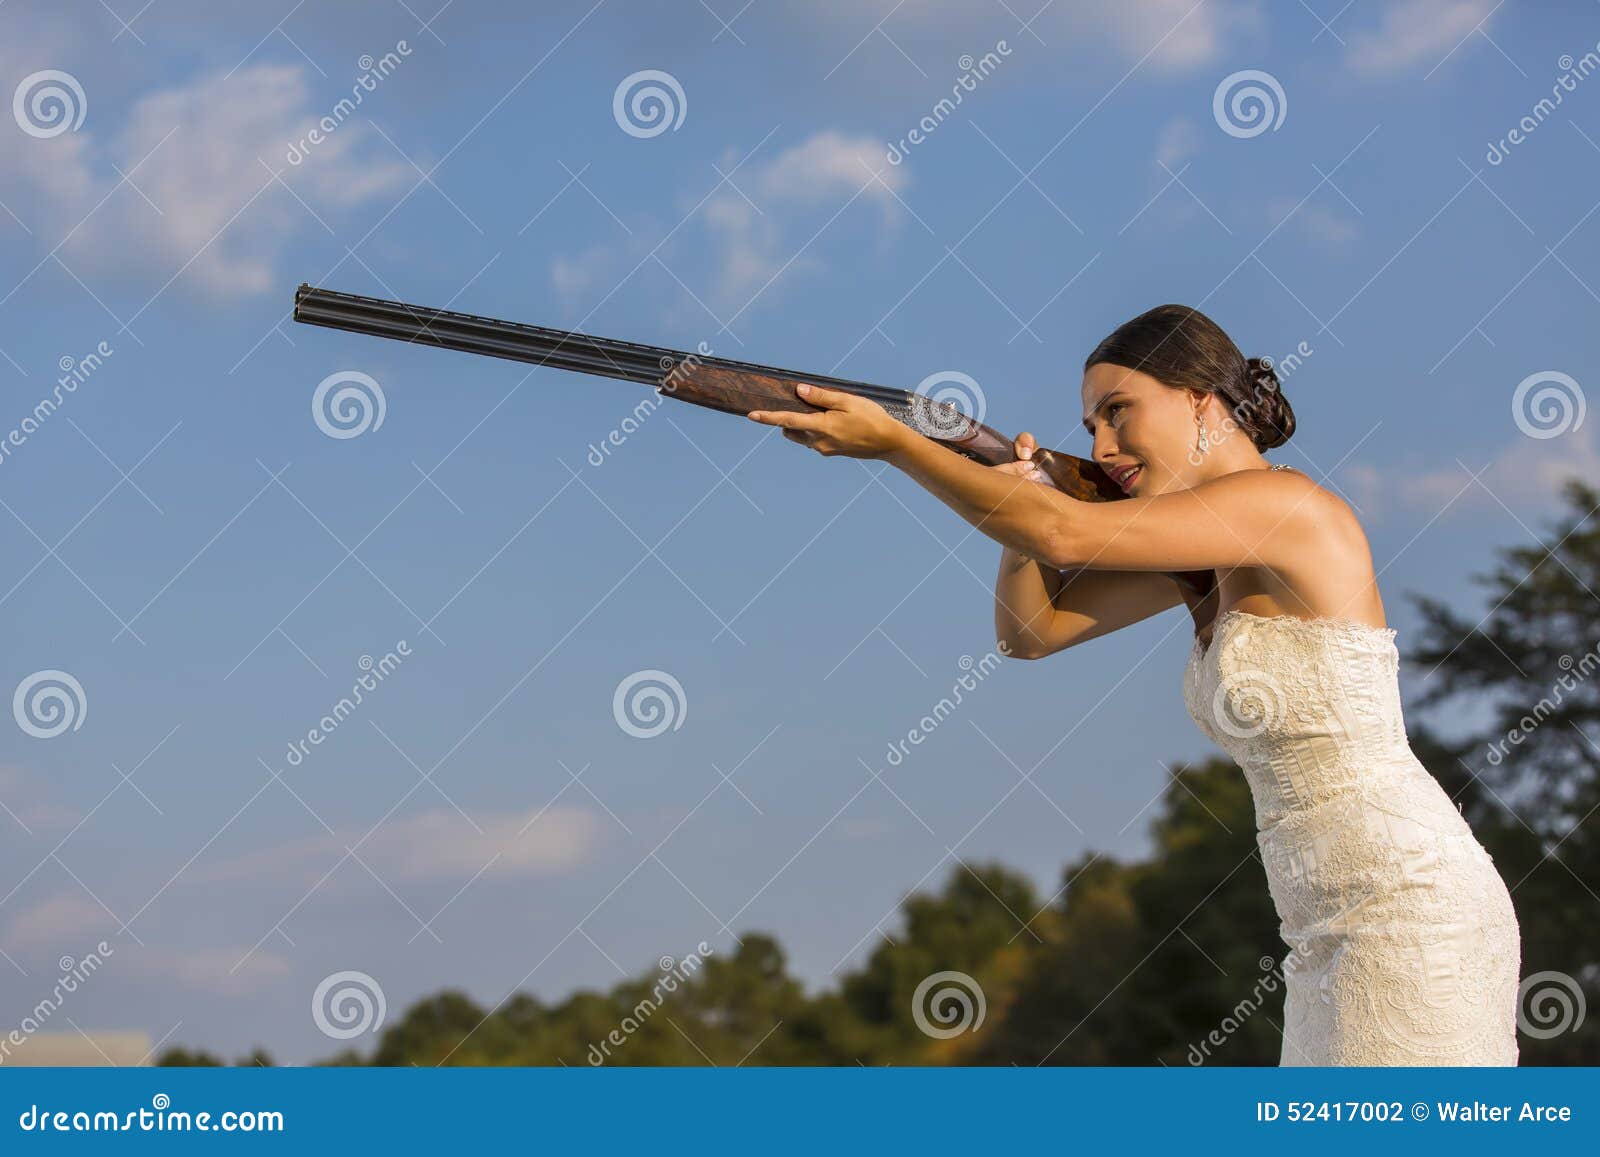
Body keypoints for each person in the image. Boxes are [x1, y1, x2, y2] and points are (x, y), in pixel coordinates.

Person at [745, 303, 1522, 1066]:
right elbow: (1029, 634)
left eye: (1119, 412)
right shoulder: (1208, 556)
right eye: (1090, 428)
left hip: (1409, 910)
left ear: (1199, 398)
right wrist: (1011, 483)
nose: (1104, 444)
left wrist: (899, 447)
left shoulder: (1285, 507)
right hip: (1320, 927)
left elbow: (1061, 531)